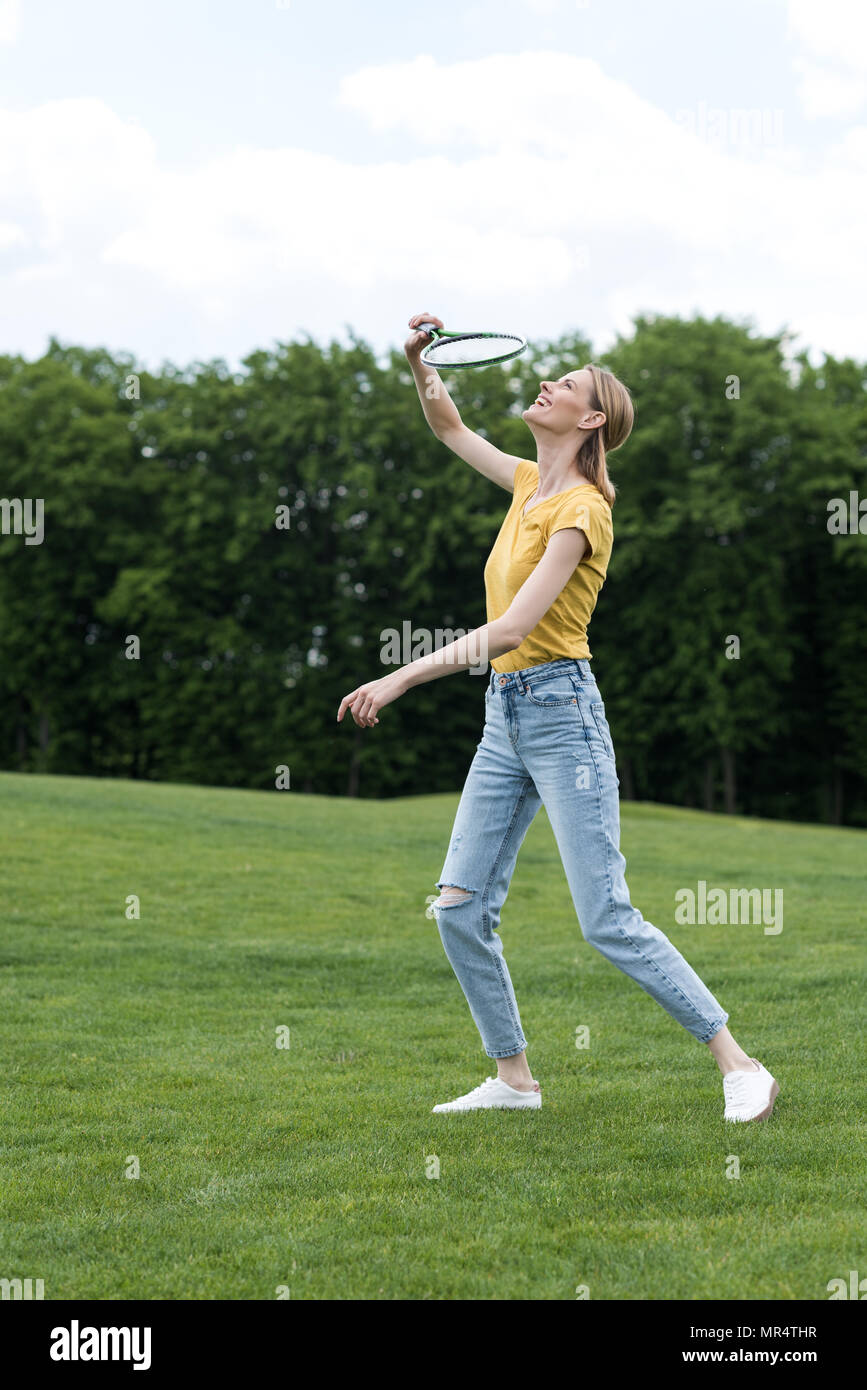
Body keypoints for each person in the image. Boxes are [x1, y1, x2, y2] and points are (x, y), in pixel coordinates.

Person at [337, 311, 779, 1124]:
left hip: (562, 716)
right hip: (504, 717)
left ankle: (739, 1064)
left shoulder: (580, 510)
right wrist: (416, 363)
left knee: (605, 917)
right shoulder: (523, 484)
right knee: (460, 907)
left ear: (591, 418)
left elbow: (511, 629)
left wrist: (398, 678)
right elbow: (447, 426)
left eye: (565, 384)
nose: (546, 384)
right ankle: (513, 1080)